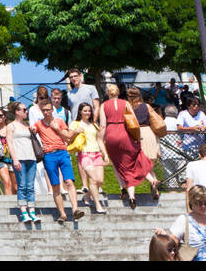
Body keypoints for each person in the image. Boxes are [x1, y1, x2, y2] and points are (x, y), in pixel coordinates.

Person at [99, 82, 153, 210]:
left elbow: (102, 125)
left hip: (111, 134)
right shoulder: (126, 103)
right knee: (134, 158)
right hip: (124, 133)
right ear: (118, 92)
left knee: (117, 163)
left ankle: (122, 187)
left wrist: (100, 138)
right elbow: (134, 121)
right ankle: (145, 183)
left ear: (107, 93)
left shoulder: (104, 105)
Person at [33, 99, 86, 223]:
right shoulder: (38, 124)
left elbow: (67, 136)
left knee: (69, 181)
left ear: (52, 110)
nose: (46, 112)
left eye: (48, 110)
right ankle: (62, 214)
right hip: (49, 155)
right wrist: (32, 129)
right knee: (56, 185)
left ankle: (75, 210)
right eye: (44, 110)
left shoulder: (59, 121)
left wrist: (57, 129)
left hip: (62, 152)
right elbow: (32, 129)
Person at [165, 186, 206, 261]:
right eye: (199, 203)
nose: (203, 206)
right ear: (192, 202)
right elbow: (170, 248)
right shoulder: (183, 220)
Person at [69, 102, 111, 214]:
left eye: (89, 110)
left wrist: (105, 153)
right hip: (85, 154)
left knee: (100, 181)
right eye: (85, 110)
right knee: (93, 179)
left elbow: (99, 140)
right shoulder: (75, 124)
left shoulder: (94, 125)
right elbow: (68, 138)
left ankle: (87, 197)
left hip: (96, 154)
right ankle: (98, 205)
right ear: (80, 112)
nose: (87, 113)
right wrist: (74, 132)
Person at [5, 103, 40, 223]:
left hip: (31, 158)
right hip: (19, 158)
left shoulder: (28, 125)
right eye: (24, 110)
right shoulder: (11, 126)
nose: (26, 111)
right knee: (22, 185)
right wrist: (14, 159)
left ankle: (32, 211)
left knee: (30, 187)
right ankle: (24, 212)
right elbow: (9, 143)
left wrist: (34, 130)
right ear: (17, 112)